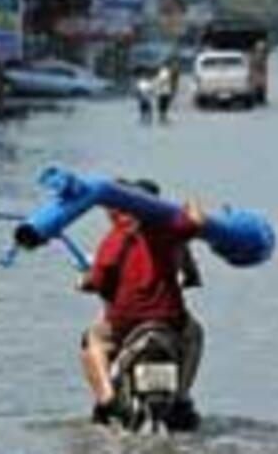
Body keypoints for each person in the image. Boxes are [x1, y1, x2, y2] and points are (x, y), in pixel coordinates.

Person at [78, 179, 205, 426]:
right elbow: (197, 224)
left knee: (93, 339)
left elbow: (98, 281)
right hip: (170, 319)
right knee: (195, 333)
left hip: (125, 323)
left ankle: (106, 400)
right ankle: (181, 397)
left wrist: (87, 282)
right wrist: (192, 202)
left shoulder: (116, 237)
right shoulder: (172, 231)